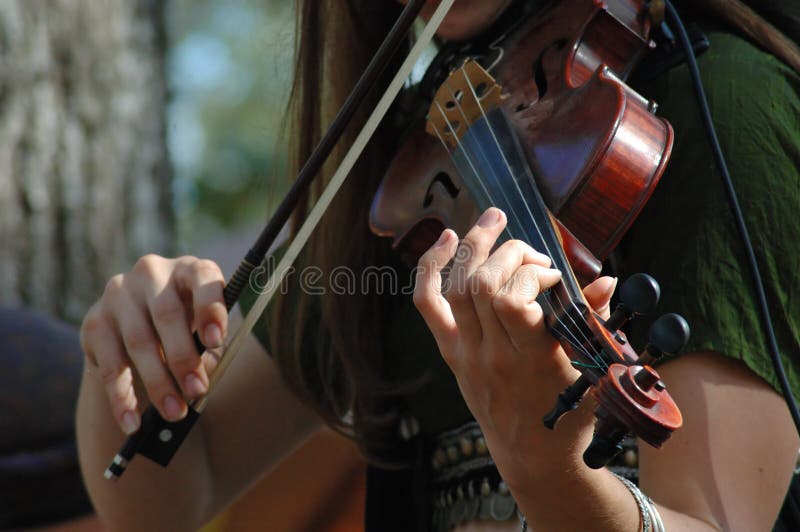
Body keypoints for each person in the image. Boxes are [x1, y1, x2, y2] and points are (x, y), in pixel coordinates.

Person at [75, 0, 800, 530]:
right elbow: (165, 502)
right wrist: (132, 357)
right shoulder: (410, 182)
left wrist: (547, 468)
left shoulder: (725, 112)